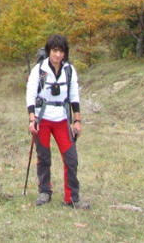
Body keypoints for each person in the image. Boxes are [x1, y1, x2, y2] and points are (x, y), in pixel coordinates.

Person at [26, 34, 90, 209]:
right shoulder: (39, 70)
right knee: (44, 157)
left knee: (71, 158)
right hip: (43, 119)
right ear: (49, 51)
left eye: (61, 51)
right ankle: (44, 191)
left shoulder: (69, 70)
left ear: (65, 53)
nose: (57, 55)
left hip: (62, 119)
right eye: (54, 50)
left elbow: (74, 96)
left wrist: (77, 120)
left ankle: (72, 198)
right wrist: (32, 119)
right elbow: (30, 95)